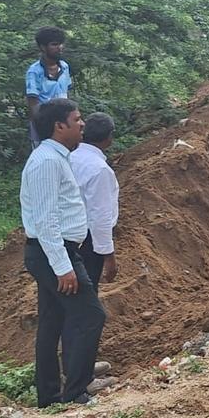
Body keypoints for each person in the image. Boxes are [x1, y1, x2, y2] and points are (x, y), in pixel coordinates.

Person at [21, 99, 105, 407]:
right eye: (77, 119)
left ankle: (49, 397)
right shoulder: (46, 162)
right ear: (59, 126)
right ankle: (75, 392)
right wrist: (63, 266)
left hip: (53, 250)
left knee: (52, 321)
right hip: (53, 252)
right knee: (91, 315)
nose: (82, 124)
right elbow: (46, 220)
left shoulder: (56, 157)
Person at [72, 112, 119, 294]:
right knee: (87, 292)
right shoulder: (100, 169)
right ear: (109, 137)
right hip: (87, 241)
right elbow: (100, 216)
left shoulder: (69, 158)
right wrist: (109, 256)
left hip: (68, 236)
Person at [26, 26, 72, 148]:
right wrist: (42, 128)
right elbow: (33, 103)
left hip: (63, 121)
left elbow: (67, 94)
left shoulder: (64, 67)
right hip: (44, 124)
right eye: (54, 44)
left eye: (61, 44)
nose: (60, 47)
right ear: (43, 47)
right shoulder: (34, 71)